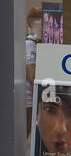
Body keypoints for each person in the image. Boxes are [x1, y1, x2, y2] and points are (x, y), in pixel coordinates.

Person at [25, 7, 42, 139]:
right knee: (26, 132)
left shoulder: (34, 43)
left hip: (31, 97)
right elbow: (31, 76)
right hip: (28, 99)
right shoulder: (29, 44)